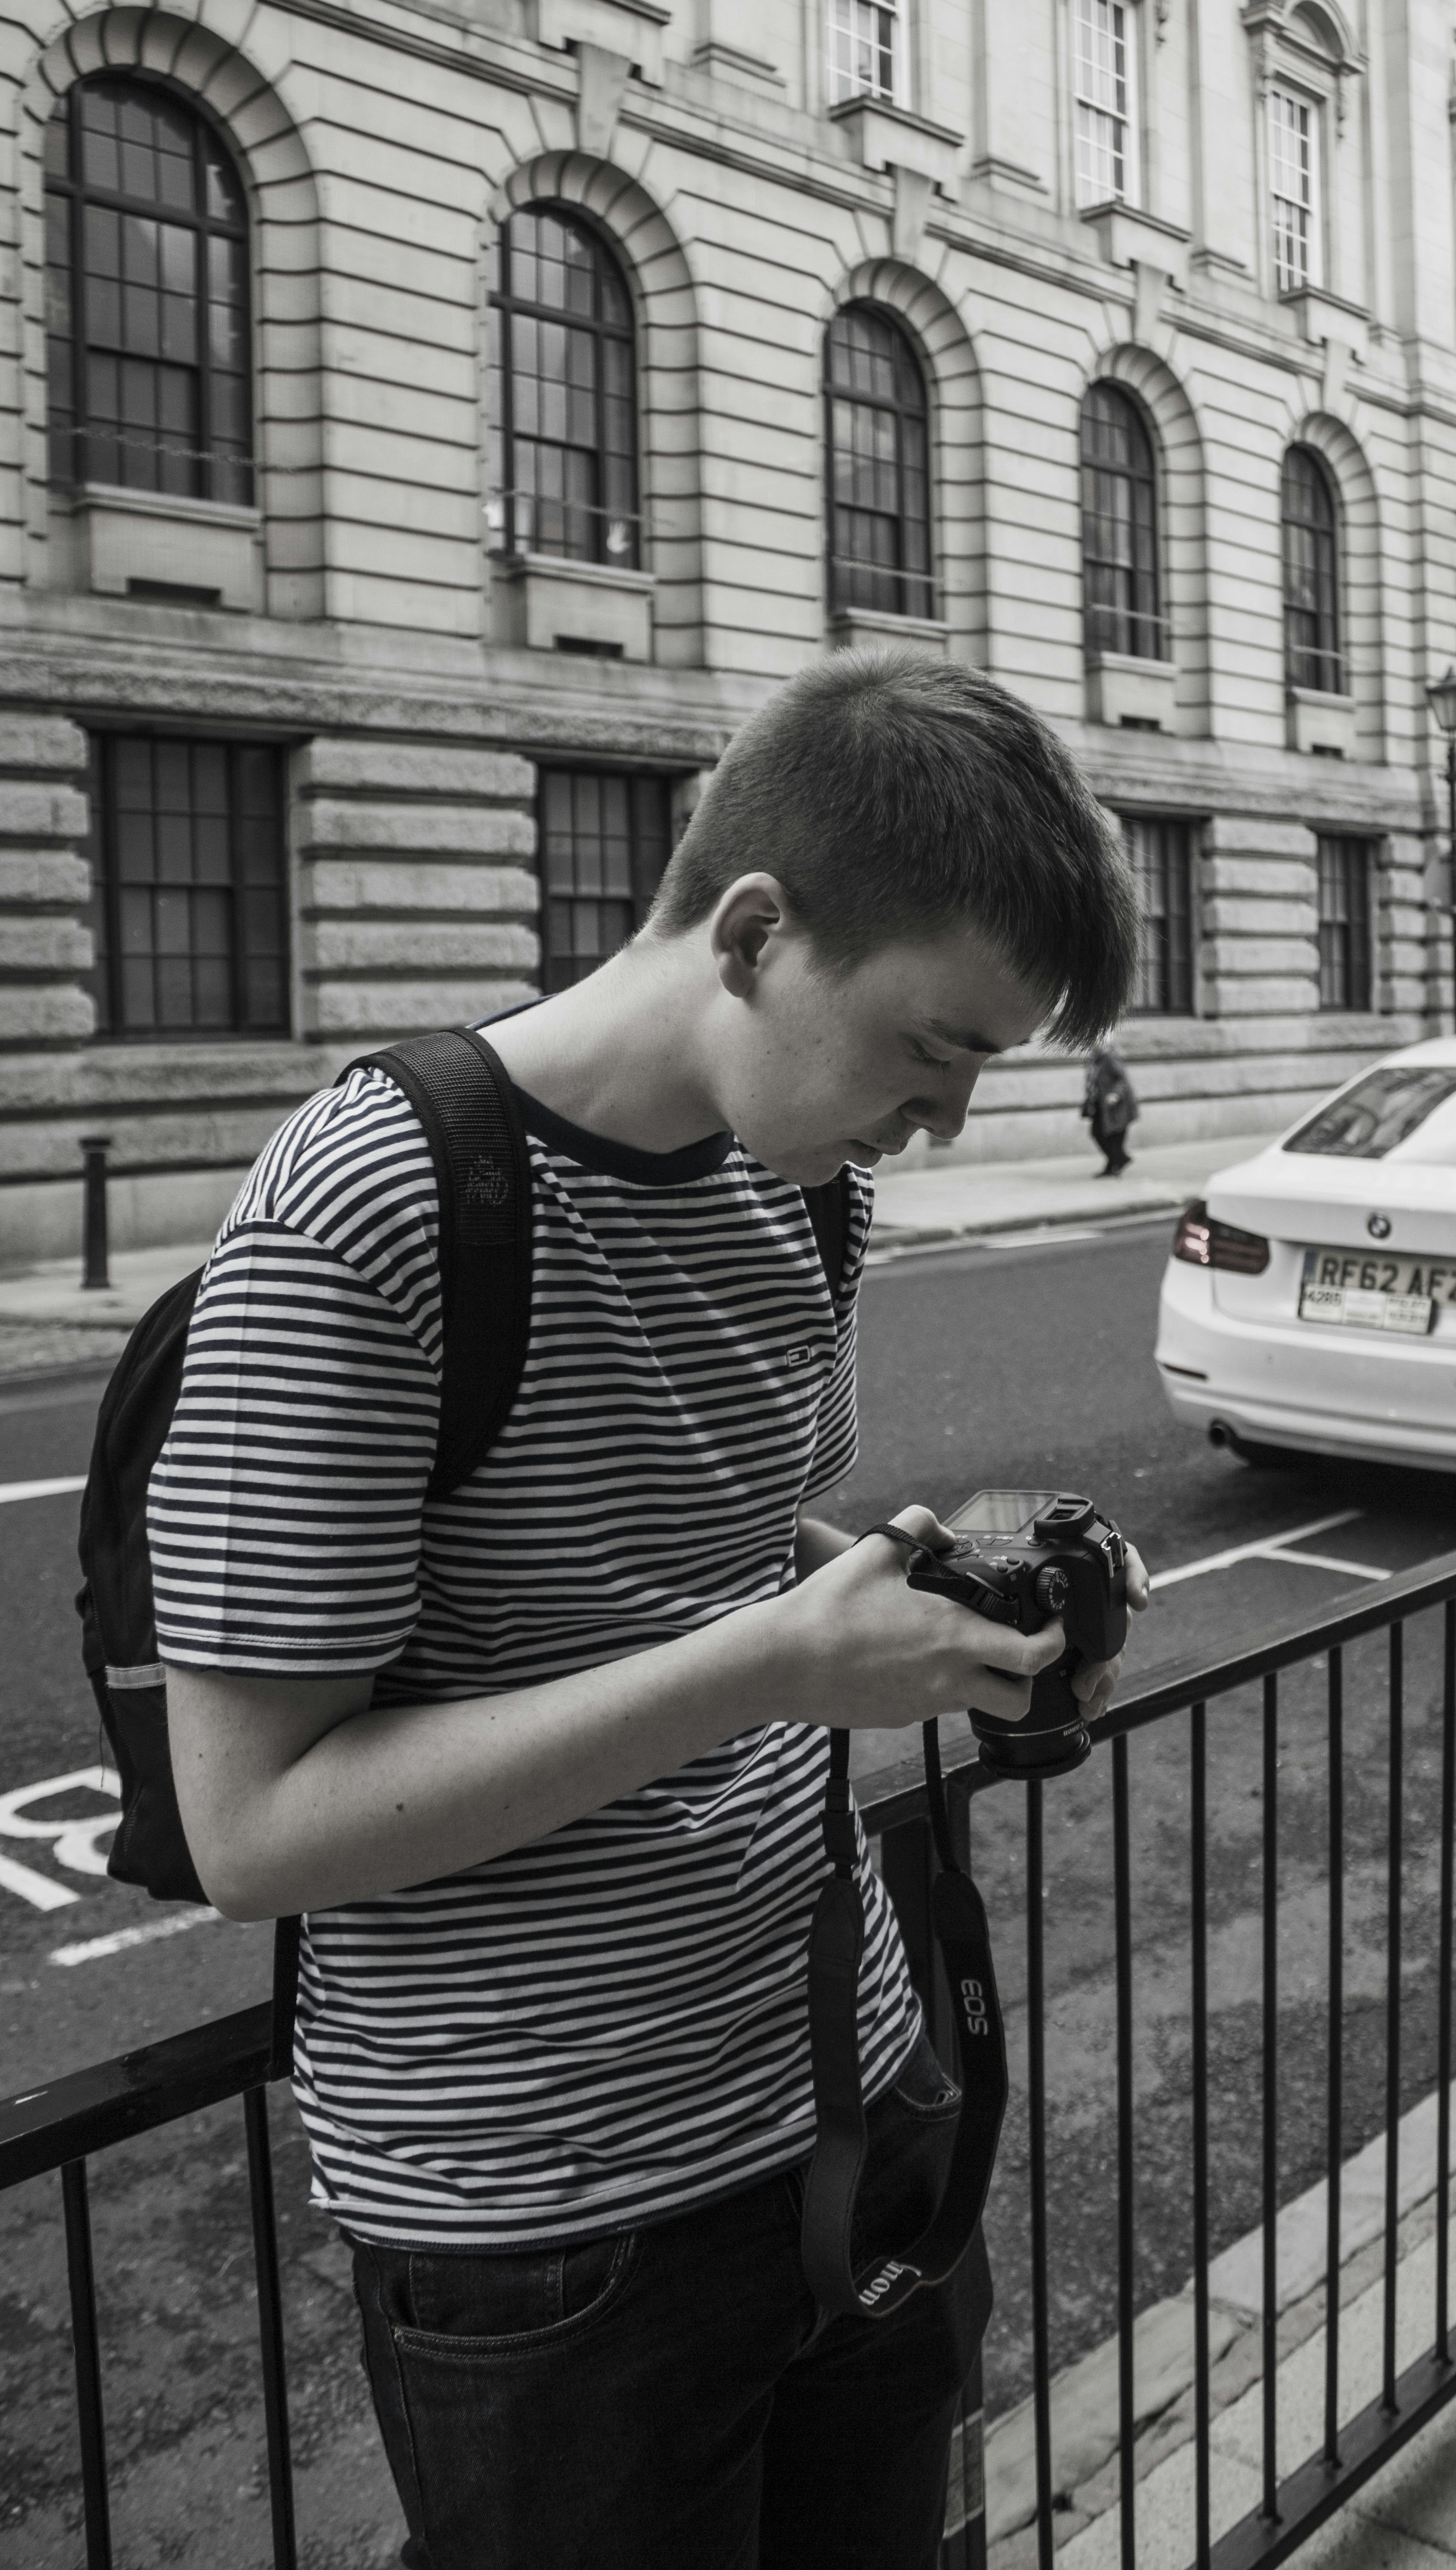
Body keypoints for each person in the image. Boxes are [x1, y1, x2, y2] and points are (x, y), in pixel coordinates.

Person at [152, 649, 1151, 2570]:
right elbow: (254, 1825)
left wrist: (924, 1594)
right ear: (755, 932)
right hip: (556, 2232)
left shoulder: (798, 1192)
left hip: (858, 2104)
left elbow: (709, 1536)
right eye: (928, 1049)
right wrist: (775, 1662)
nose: (940, 1119)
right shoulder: (363, 1206)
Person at [1082, 1037, 1138, 1175]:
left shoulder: (1110, 1057)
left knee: (1114, 1134)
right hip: (1100, 1103)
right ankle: (1119, 1160)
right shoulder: (1094, 1059)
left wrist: (1115, 1094)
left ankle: (1114, 1165)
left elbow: (1122, 1079)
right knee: (1098, 1133)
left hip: (1115, 1104)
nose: (1090, 1044)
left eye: (1092, 1041)